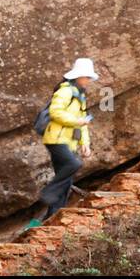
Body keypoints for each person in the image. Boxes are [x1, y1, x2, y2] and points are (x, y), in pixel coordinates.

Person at [38, 58, 97, 220]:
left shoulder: (80, 96)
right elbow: (55, 112)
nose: (88, 81)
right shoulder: (65, 91)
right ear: (78, 76)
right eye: (86, 77)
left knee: (66, 182)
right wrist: (76, 121)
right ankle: (48, 192)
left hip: (69, 142)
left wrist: (85, 143)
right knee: (74, 164)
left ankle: (52, 217)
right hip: (56, 139)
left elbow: (83, 122)